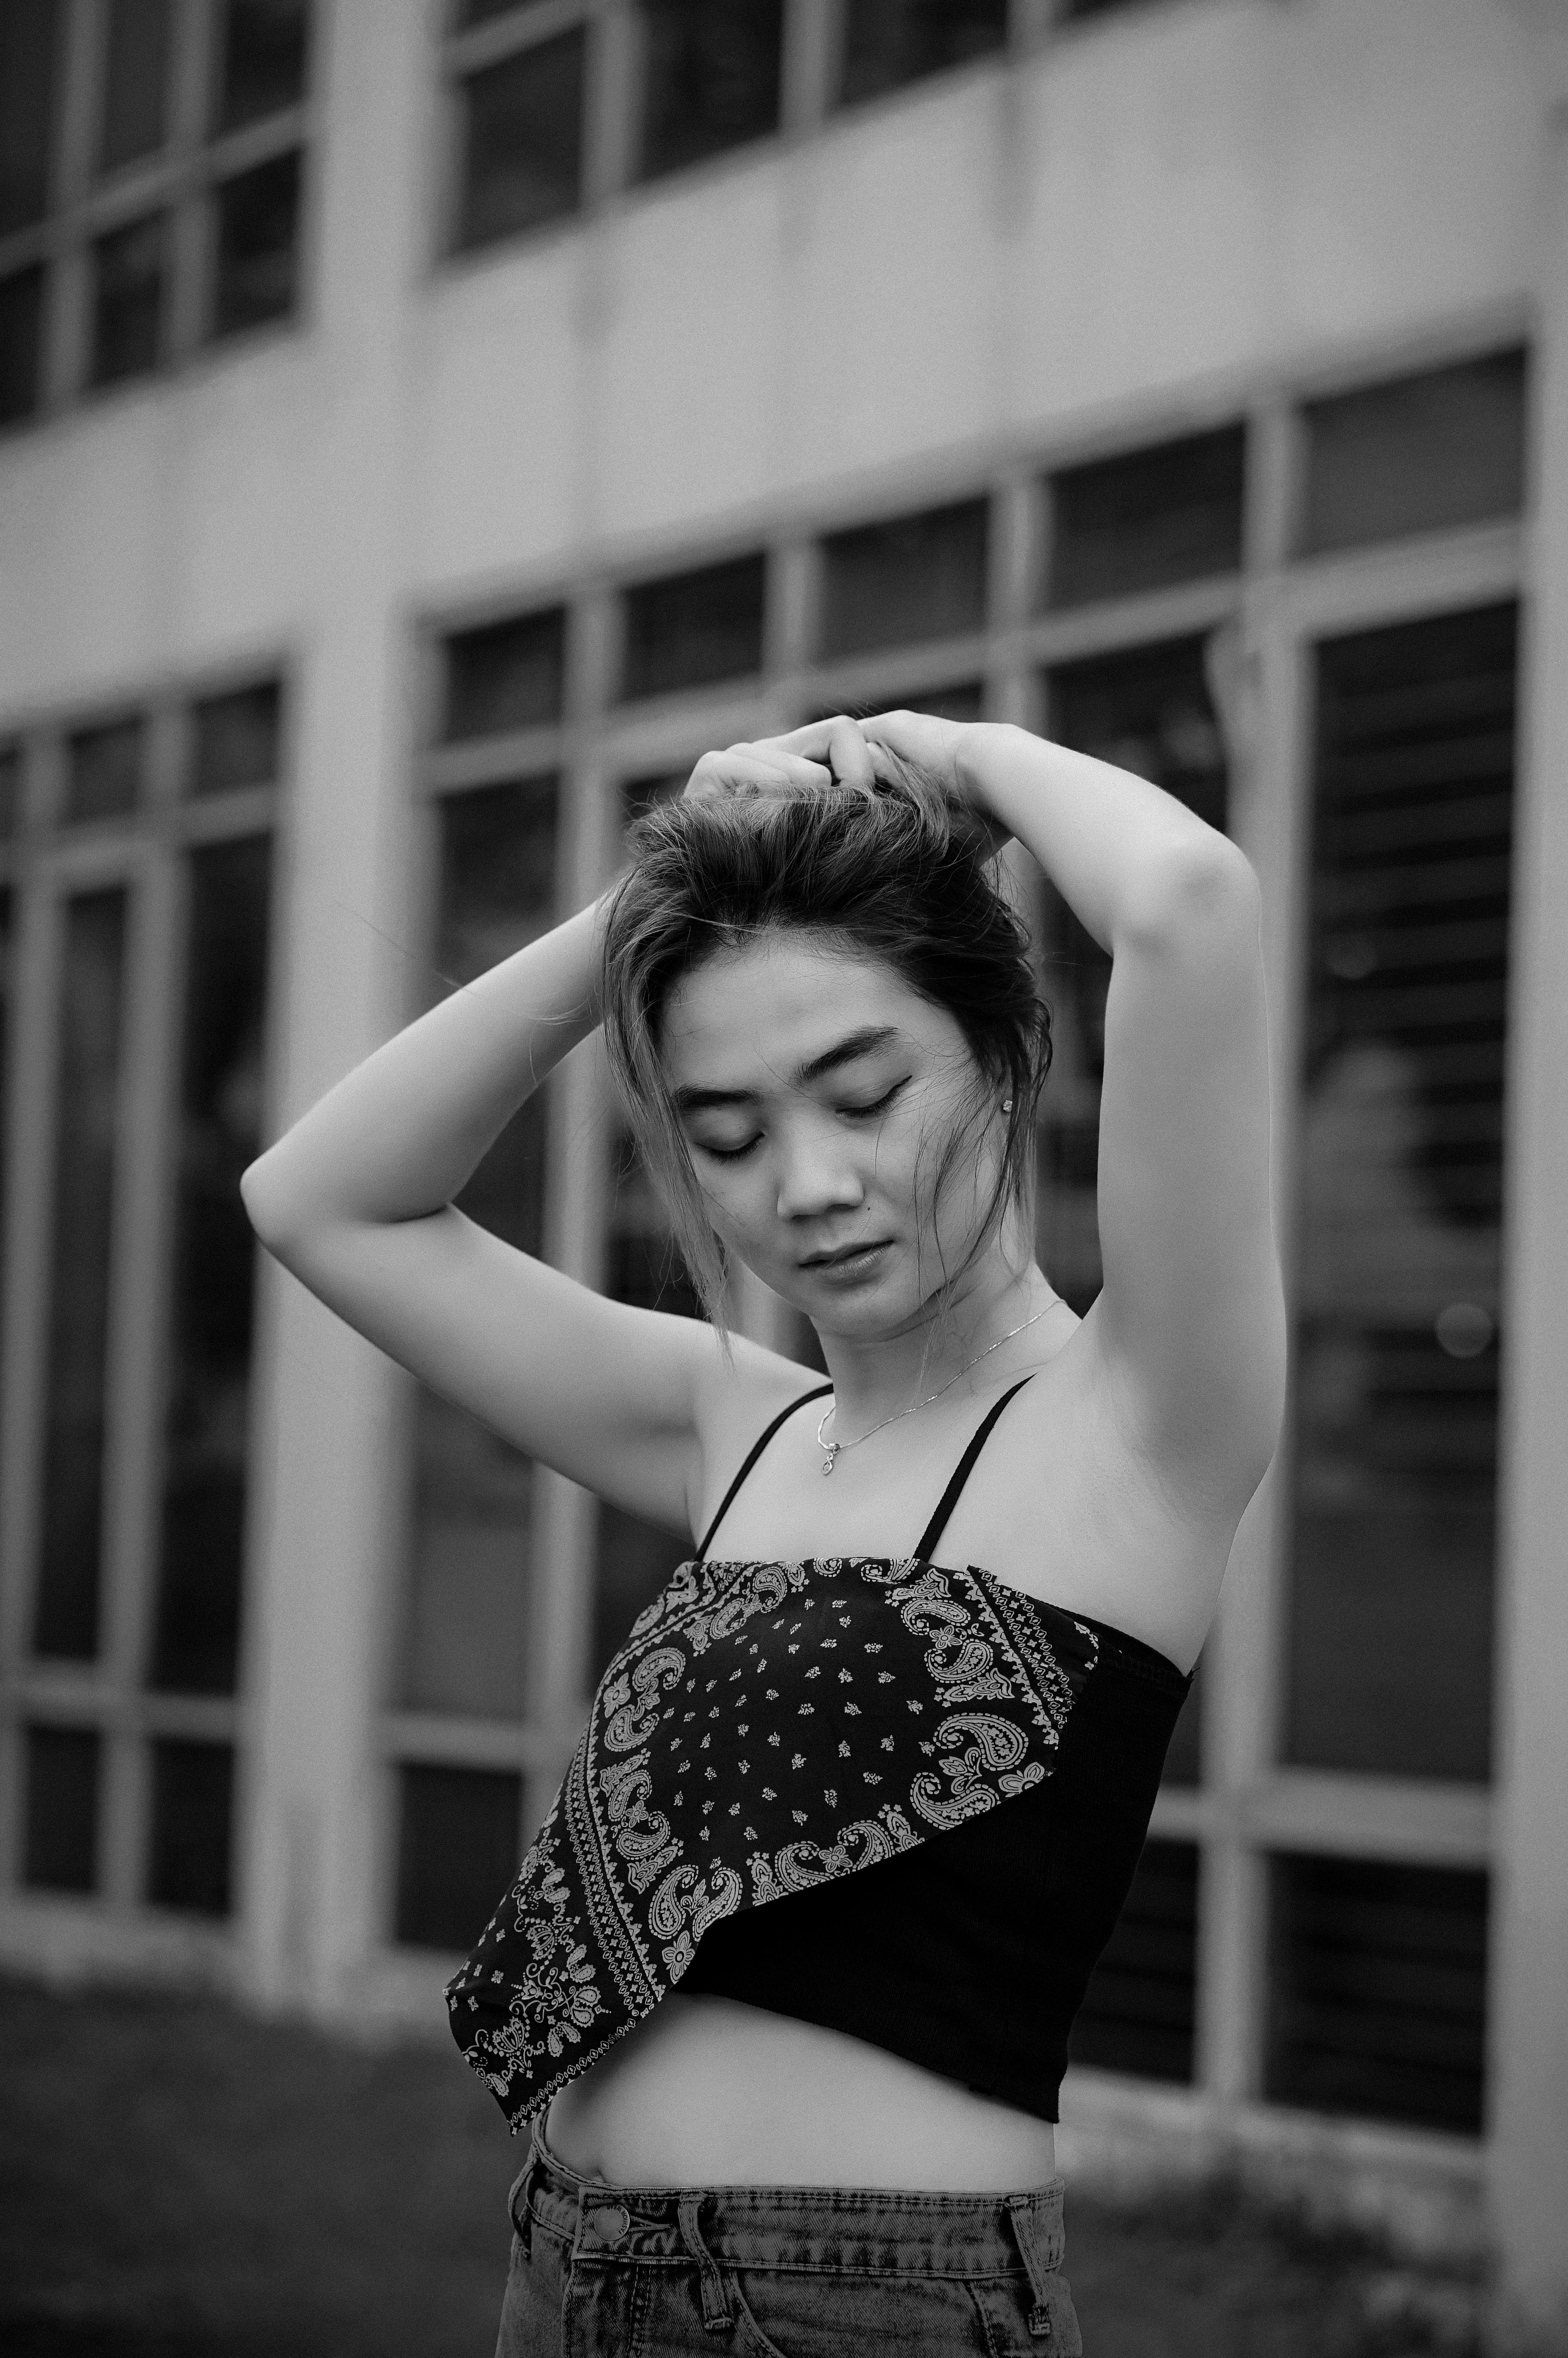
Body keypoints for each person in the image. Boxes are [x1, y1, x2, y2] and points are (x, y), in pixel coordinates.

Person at [241, 708, 1285, 2357]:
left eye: (862, 1096)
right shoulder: (741, 1429)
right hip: (564, 2264)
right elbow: (318, 1200)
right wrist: (649, 909)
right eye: (728, 1134)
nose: (805, 1185)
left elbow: (1187, 902)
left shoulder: (1138, 1425)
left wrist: (945, 755)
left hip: (866, 2301)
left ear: (1008, 1058)